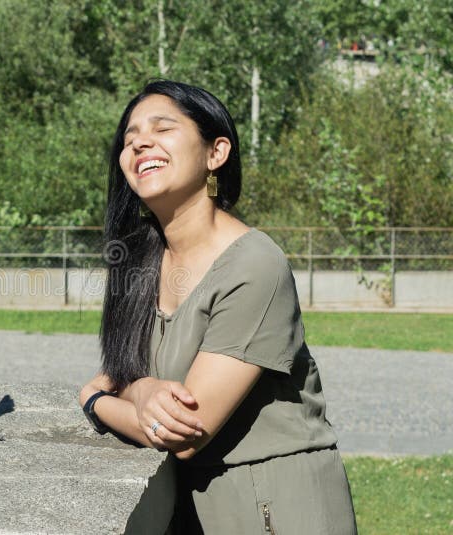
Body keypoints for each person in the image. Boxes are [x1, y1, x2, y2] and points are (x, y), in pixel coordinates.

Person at [79, 80, 357, 534]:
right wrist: (142, 389)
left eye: (162, 128)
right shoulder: (140, 259)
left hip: (275, 507)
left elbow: (184, 430)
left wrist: (93, 401)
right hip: (185, 506)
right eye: (129, 140)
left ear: (216, 153)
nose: (140, 143)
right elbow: (125, 374)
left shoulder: (255, 264)